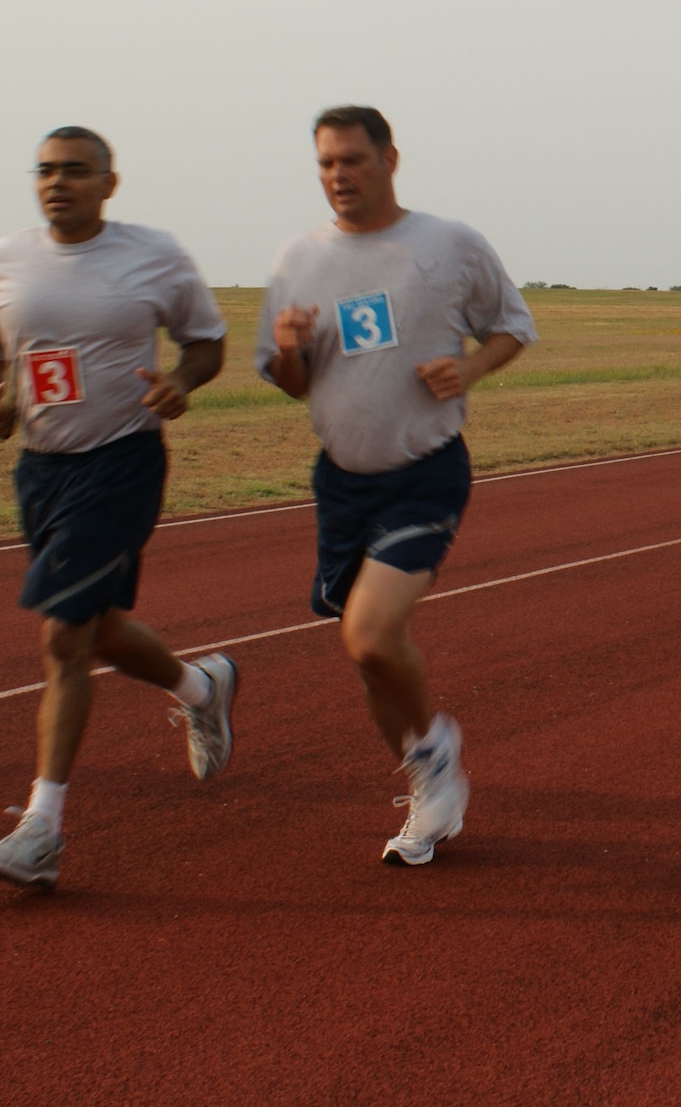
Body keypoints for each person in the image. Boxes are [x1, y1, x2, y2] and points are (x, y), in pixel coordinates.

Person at [0, 126, 237, 888]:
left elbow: (206, 343)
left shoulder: (155, 254)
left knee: (64, 638)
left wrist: (184, 382)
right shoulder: (0, 263)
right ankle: (201, 688)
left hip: (122, 460)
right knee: (101, 629)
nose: (58, 183)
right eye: (46, 171)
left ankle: (41, 828)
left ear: (109, 183)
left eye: (76, 172)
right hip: (42, 471)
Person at [256, 106, 537, 866]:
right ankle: (426, 775)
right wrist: (287, 350)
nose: (338, 177)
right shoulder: (298, 259)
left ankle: (437, 751)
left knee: (371, 633)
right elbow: (290, 382)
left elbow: (512, 325)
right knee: (370, 655)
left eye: (352, 160)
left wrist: (470, 368)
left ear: (390, 160)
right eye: (325, 164)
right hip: (343, 481)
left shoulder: (447, 246)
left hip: (426, 470)